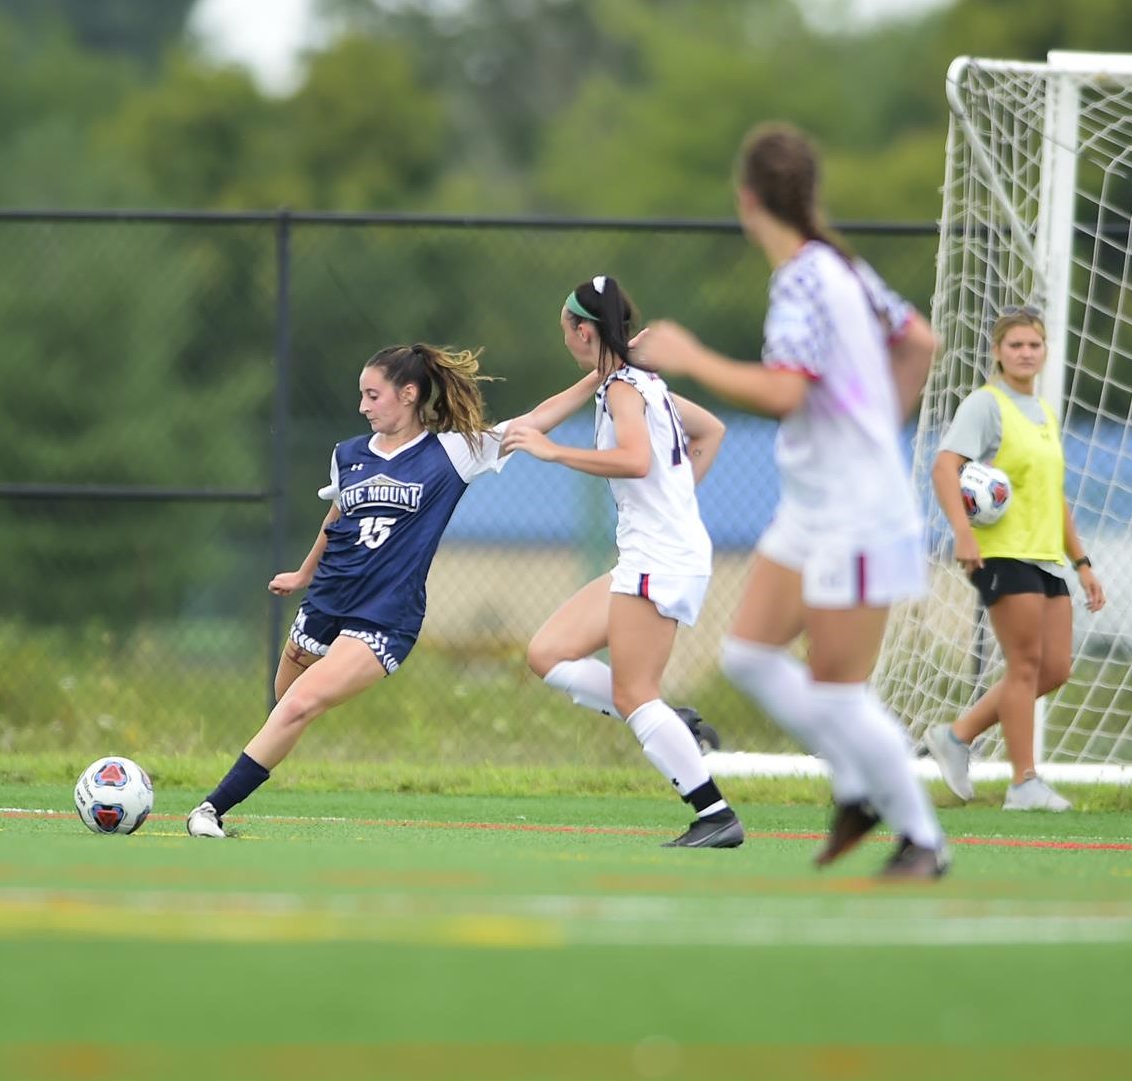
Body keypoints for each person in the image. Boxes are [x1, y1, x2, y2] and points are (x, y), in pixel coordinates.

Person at [636, 121, 949, 879]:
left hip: (855, 510)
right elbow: (919, 342)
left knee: (839, 696)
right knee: (749, 656)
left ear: (747, 200)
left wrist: (692, 357)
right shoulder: (841, 267)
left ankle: (921, 837)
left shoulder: (805, 279)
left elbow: (785, 393)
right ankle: (856, 790)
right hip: (816, 504)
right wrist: (873, 424)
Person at [186, 343, 598, 838]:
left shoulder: (453, 452)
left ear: (408, 394)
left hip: (384, 616)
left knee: (298, 706)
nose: (363, 406)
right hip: (327, 602)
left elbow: (534, 420)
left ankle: (209, 810)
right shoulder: (348, 455)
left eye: (372, 395)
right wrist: (303, 574)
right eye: (362, 395)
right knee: (284, 707)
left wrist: (601, 373)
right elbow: (338, 514)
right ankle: (238, 788)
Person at [503, 275, 742, 848]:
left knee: (635, 694)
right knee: (548, 653)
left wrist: (554, 452)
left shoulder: (623, 389)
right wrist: (673, 503)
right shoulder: (635, 381)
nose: (564, 337)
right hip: (653, 552)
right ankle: (667, 719)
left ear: (583, 331)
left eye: (566, 328)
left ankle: (715, 815)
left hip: (660, 557)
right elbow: (712, 430)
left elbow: (635, 460)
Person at [922, 307, 1108, 811]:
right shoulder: (986, 405)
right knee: (1024, 665)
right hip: (1002, 554)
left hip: (1047, 557)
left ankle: (957, 736)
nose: (1026, 353)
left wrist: (1082, 562)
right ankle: (1024, 783)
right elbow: (944, 468)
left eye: (1034, 345)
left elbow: (1053, 495)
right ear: (997, 352)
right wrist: (963, 533)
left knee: (1055, 669)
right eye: (1016, 345)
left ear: (1044, 350)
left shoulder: (1044, 412)